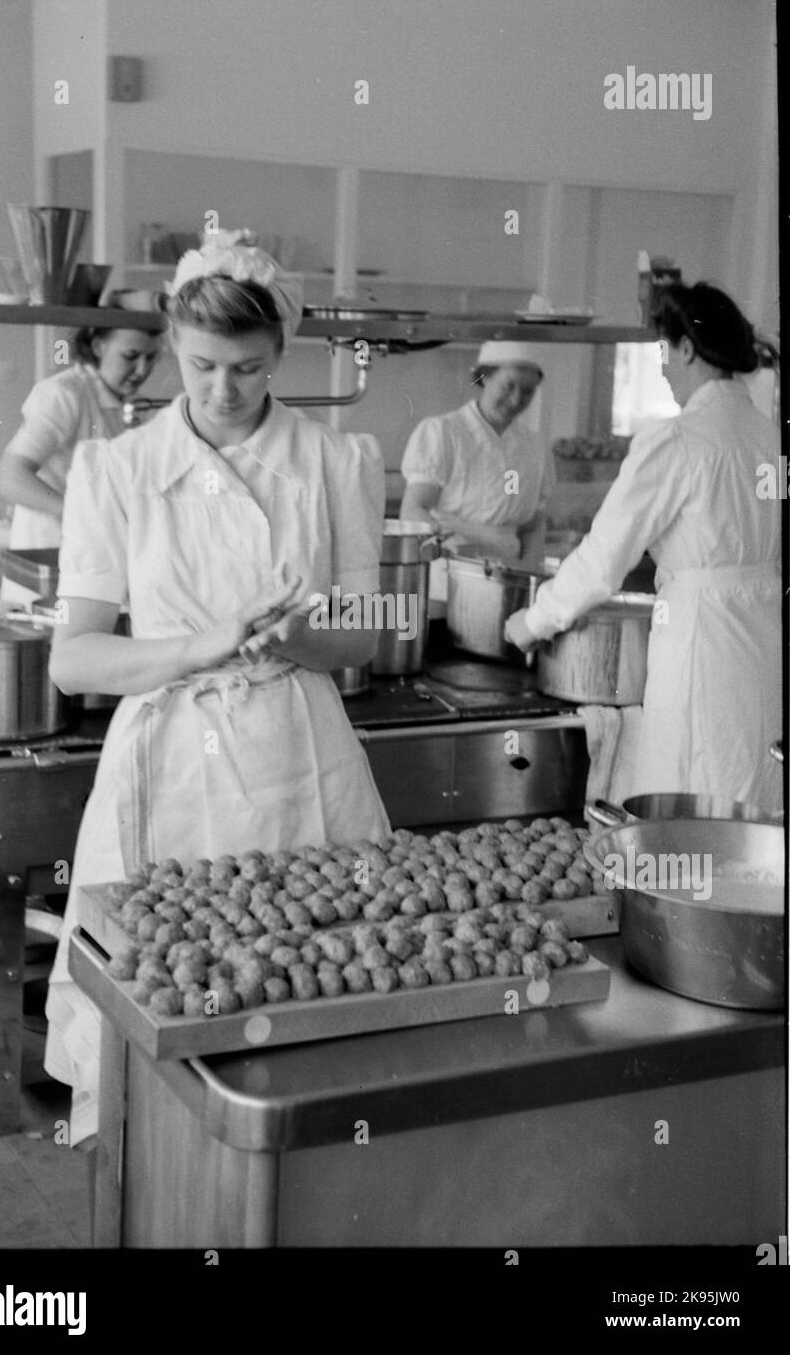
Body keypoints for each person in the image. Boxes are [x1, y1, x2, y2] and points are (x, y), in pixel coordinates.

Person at [44, 229, 391, 1147]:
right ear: (169, 343)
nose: (222, 391)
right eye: (200, 366)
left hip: (297, 753)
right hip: (167, 762)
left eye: (246, 368)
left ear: (281, 354)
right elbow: (73, 659)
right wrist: (197, 645)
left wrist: (308, 636)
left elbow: (373, 631)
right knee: (151, 1023)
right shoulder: (117, 470)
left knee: (310, 987)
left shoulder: (334, 463)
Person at [505, 281, 781, 809]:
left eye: (663, 352)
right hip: (764, 646)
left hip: (703, 642)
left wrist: (534, 622)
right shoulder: (767, 434)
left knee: (690, 792)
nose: (662, 368)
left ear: (686, 349)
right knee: (749, 793)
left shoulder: (678, 440)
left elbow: (605, 556)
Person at [0, 291, 163, 554]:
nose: (142, 370)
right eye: (130, 356)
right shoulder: (64, 394)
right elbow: (9, 477)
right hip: (47, 550)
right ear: (98, 347)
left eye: (151, 358)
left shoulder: (129, 405)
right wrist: (73, 514)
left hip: (93, 552)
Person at [399, 341, 553, 569]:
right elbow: (414, 509)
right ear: (485, 378)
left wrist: (529, 570)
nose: (516, 399)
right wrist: (449, 546)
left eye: (527, 391)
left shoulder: (532, 446)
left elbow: (532, 524)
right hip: (449, 570)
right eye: (508, 386)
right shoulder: (443, 432)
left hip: (511, 573)